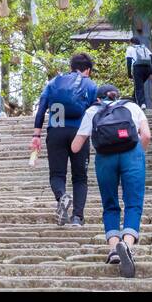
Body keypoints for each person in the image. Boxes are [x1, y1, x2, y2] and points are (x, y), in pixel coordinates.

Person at [71, 84, 151, 278]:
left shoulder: (92, 111)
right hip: (132, 155)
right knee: (133, 203)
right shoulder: (132, 107)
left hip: (105, 159)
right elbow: (147, 135)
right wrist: (139, 153)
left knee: (110, 205)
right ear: (118, 95)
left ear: (98, 99)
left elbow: (75, 147)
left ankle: (114, 248)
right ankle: (128, 244)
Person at [30, 53, 98, 227]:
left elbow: (41, 110)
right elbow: (94, 112)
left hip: (56, 132)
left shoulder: (53, 83)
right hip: (79, 133)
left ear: (71, 66)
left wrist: (36, 135)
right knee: (80, 177)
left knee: (57, 174)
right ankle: (77, 217)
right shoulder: (90, 85)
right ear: (87, 70)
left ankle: (62, 196)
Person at [125, 34, 152, 108]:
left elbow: (129, 61)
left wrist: (129, 74)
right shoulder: (144, 48)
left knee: (139, 87)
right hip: (147, 69)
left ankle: (142, 104)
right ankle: (134, 101)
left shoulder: (130, 48)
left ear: (131, 42)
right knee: (139, 86)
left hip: (138, 68)